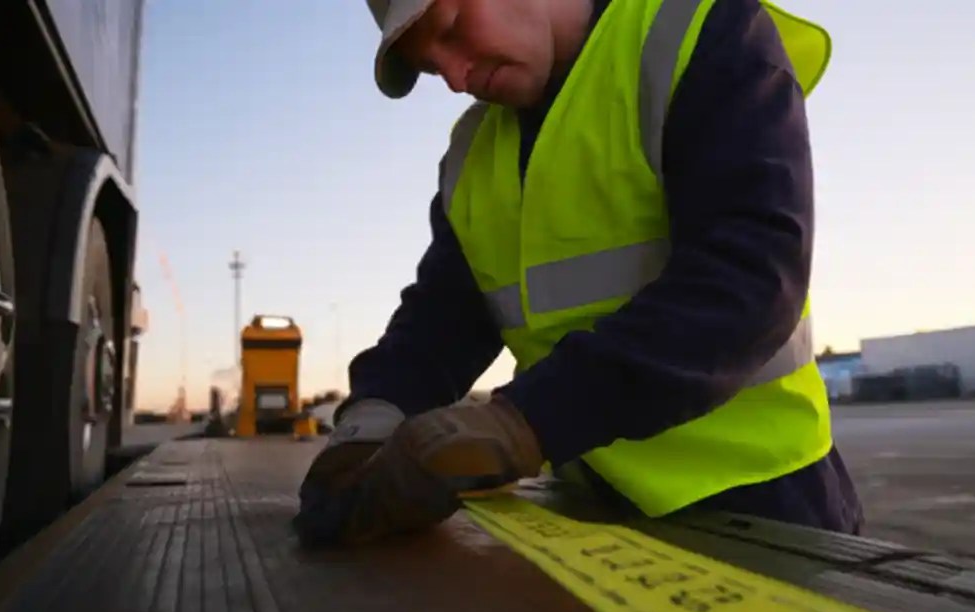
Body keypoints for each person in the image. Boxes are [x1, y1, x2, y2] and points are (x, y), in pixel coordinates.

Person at [292, 0, 864, 546]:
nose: (457, 77)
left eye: (453, 26)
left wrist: (524, 423)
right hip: (592, 514)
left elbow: (750, 280)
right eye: (430, 66)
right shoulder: (474, 154)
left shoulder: (695, 35)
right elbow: (438, 323)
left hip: (761, 504)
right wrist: (372, 418)